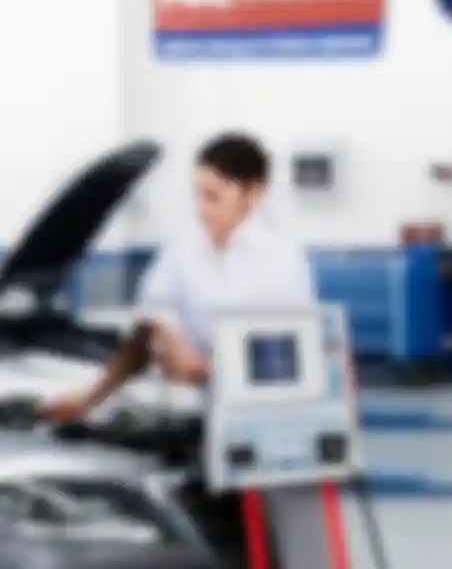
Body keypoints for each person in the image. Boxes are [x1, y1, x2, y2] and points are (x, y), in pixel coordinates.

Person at [41, 131, 316, 568]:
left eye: (214, 196)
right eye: (197, 195)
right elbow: (145, 330)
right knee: (221, 544)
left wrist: (200, 367)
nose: (201, 208)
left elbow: (284, 356)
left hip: (272, 430)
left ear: (253, 193)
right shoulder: (184, 252)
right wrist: (92, 396)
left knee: (280, 547)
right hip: (211, 426)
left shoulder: (281, 262)